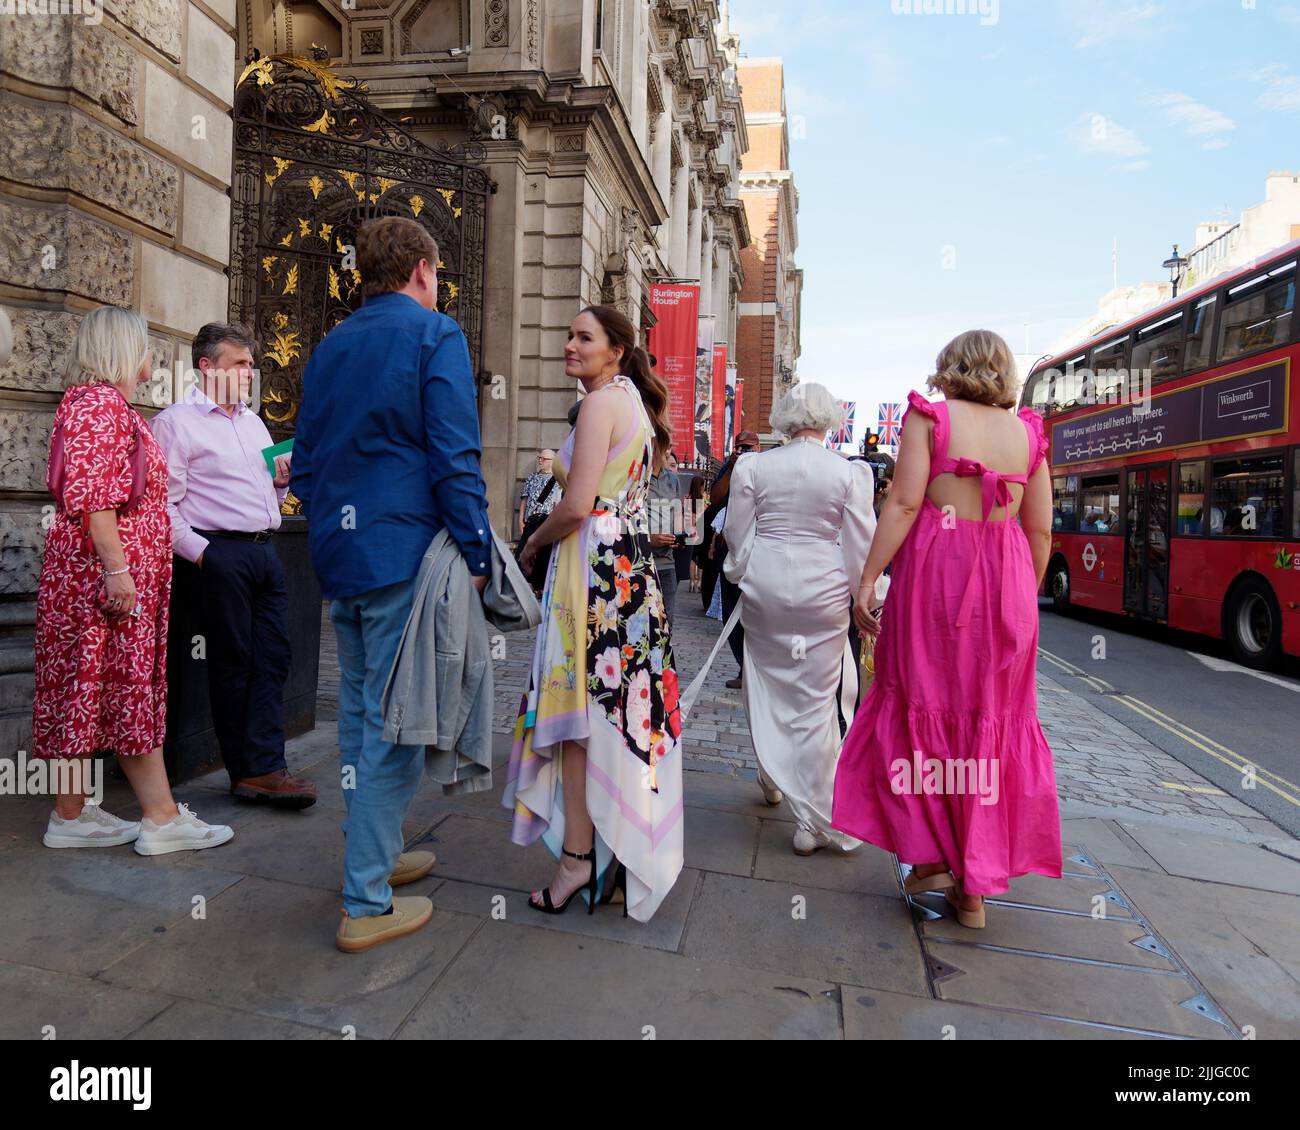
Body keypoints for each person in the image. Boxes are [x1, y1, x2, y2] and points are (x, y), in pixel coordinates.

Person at [291, 216, 492, 953]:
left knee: (357, 717)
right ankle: (366, 899)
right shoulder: (435, 335)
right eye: (436, 275)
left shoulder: (330, 345)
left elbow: (305, 467)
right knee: (399, 727)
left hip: (340, 557)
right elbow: (454, 455)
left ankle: (374, 853)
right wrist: (476, 550)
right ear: (421, 272)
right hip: (405, 555)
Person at [833, 330, 1062, 930]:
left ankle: (932, 855)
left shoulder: (929, 417)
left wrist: (869, 578)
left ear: (950, 367)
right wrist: (1021, 598)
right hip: (1006, 582)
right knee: (990, 722)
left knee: (923, 706)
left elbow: (905, 504)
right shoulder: (1029, 435)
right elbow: (1041, 533)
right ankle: (974, 889)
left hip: (939, 576)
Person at [34, 306, 233, 854]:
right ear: (122, 350)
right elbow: (97, 502)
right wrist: (120, 574)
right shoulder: (100, 405)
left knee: (88, 688)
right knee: (126, 688)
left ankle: (71, 815)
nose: (150, 357)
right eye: (144, 345)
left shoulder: (93, 404)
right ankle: (162, 818)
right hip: (105, 584)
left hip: (93, 579)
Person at [508, 304, 683, 922]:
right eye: (568, 334)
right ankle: (611, 850)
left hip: (593, 570)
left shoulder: (602, 404)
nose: (568, 345)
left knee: (579, 714)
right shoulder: (630, 403)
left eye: (584, 337)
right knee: (618, 712)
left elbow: (578, 504)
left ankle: (579, 858)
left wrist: (531, 544)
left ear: (615, 350)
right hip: (625, 571)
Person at [151, 323, 316, 808]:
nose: (250, 373)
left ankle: (268, 765)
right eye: (239, 364)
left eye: (250, 364)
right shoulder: (176, 423)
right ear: (206, 366)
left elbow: (269, 492)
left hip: (266, 551)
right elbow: (163, 506)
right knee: (233, 663)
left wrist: (282, 485)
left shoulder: (253, 422)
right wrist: (204, 554)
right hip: (219, 553)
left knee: (274, 658)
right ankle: (248, 770)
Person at [723, 384, 876, 855]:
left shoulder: (753, 466)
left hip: (767, 583)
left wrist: (743, 570)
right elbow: (860, 542)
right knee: (814, 700)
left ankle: (772, 773)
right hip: (823, 589)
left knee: (766, 682)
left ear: (784, 418)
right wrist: (860, 592)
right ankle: (810, 820)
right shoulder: (850, 473)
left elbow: (736, 532)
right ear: (829, 419)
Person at [647, 440, 683, 633]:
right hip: (642, 563)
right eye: (664, 445)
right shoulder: (636, 478)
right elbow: (622, 521)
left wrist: (679, 537)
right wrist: (649, 539)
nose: (668, 451)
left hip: (667, 563)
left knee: (666, 623)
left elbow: (678, 515)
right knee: (642, 623)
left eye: (669, 446)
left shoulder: (673, 479)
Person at [517, 449, 558, 541]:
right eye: (539, 458)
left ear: (553, 461)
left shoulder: (558, 480)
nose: (540, 460)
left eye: (544, 459)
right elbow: (524, 499)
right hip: (530, 522)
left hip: (547, 522)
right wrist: (520, 521)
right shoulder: (532, 477)